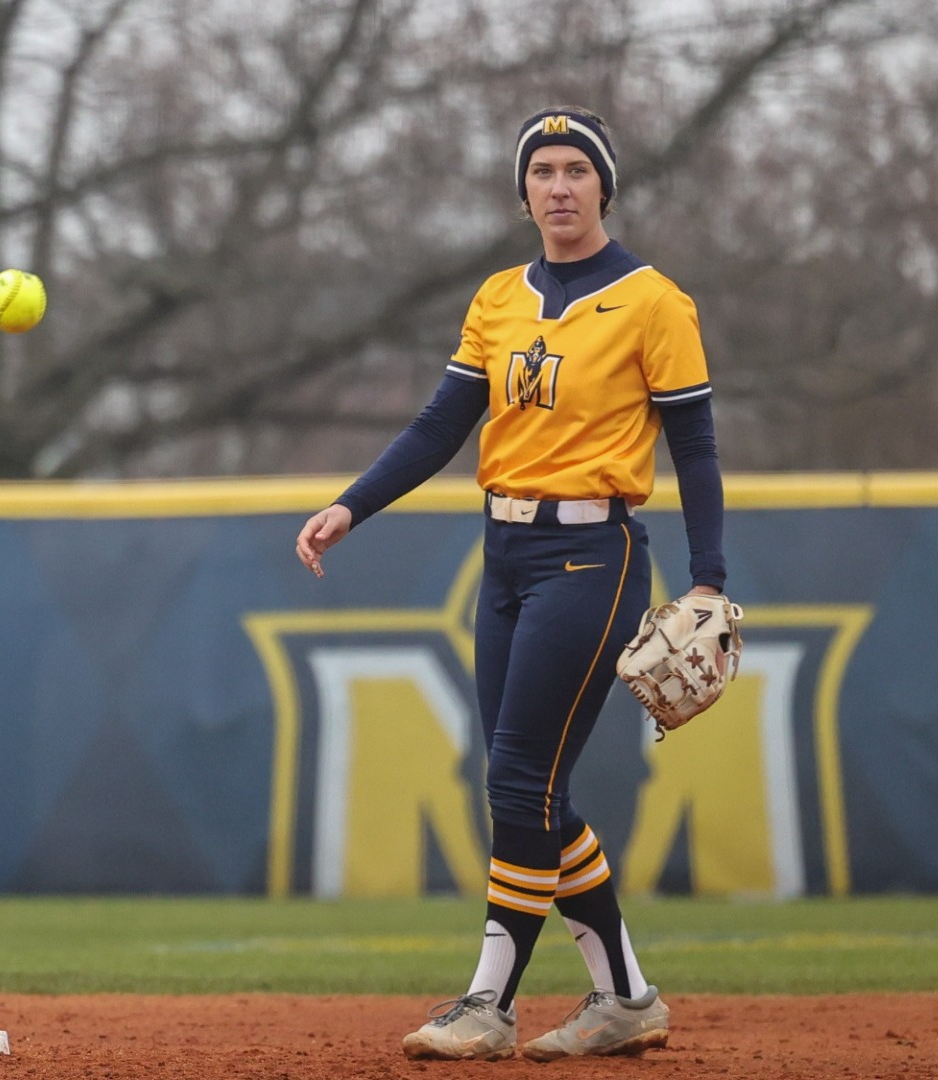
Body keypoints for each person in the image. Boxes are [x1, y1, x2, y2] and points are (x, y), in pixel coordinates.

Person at [295, 106, 728, 1062]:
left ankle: (487, 1004)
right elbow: (439, 425)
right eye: (544, 170)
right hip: (504, 556)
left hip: (593, 554)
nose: (561, 186)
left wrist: (708, 581)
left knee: (515, 779)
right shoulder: (498, 297)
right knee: (533, 791)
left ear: (603, 187)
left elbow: (694, 446)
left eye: (578, 169)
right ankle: (627, 998)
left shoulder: (656, 301)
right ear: (524, 188)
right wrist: (351, 506)